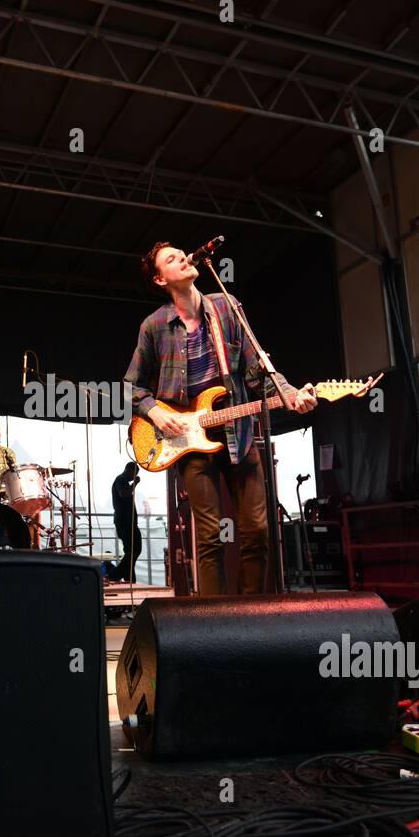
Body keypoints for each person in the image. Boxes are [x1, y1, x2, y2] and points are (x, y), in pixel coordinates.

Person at [124, 241, 316, 595]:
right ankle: (214, 627)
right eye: (171, 259)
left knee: (258, 530)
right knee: (209, 536)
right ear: (159, 279)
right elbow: (129, 388)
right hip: (190, 442)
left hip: (238, 433)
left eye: (182, 253)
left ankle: (250, 616)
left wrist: (289, 394)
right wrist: (157, 413)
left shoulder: (226, 307)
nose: (182, 258)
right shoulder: (154, 326)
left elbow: (257, 369)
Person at [109, 461, 142, 582]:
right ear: (128, 470)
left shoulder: (123, 481)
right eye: (134, 474)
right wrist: (135, 484)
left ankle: (129, 578)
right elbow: (124, 494)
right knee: (135, 550)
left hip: (127, 522)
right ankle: (115, 574)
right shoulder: (121, 480)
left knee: (131, 551)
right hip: (125, 522)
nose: (134, 477)